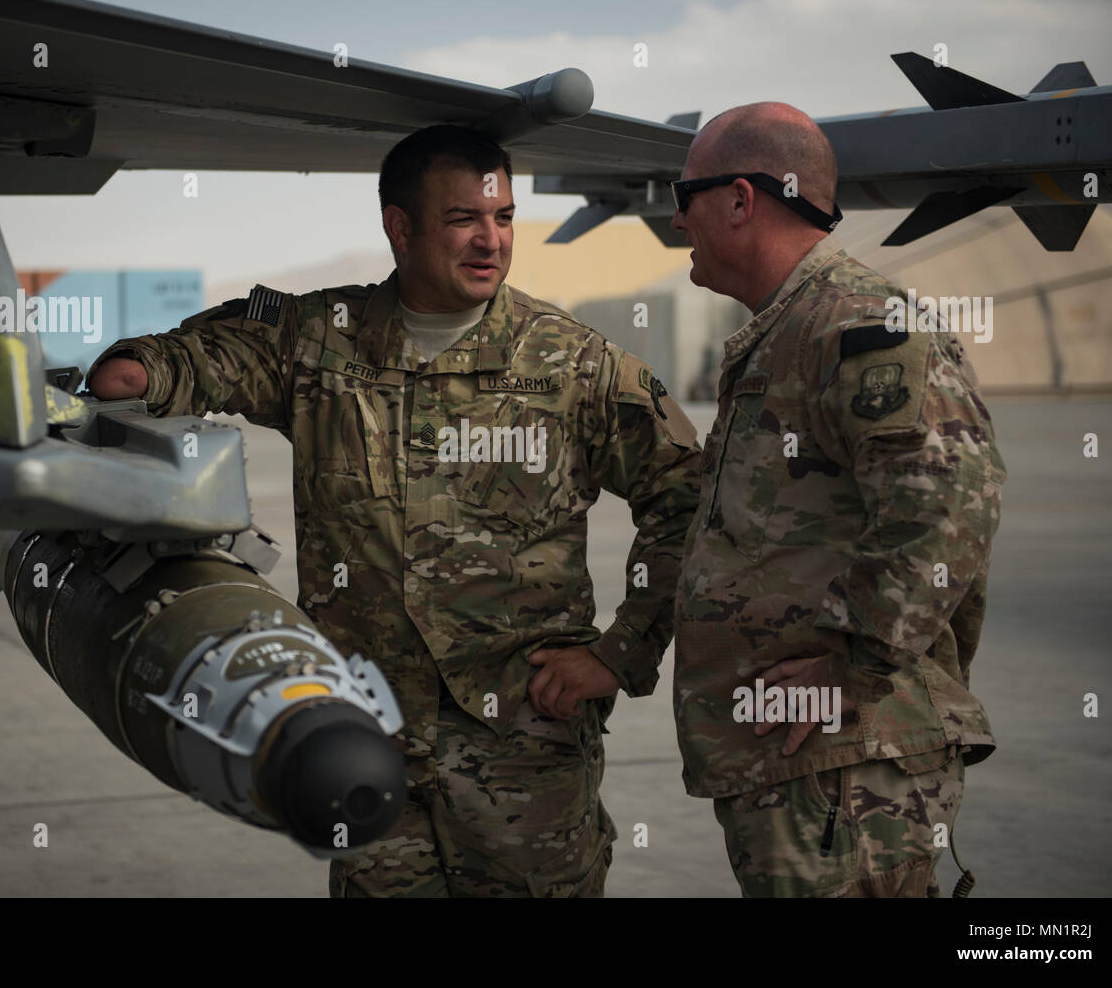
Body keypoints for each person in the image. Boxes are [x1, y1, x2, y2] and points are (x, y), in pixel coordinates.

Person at [87, 124, 701, 897]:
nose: (491, 241)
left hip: (524, 755)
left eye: (504, 217)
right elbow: (188, 362)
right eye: (464, 221)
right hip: (369, 743)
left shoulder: (572, 362)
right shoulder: (318, 341)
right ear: (399, 227)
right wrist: (136, 371)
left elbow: (689, 499)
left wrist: (620, 652)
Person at [669, 102, 1006, 897]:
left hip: (845, 768)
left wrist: (855, 659)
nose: (677, 221)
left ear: (741, 200)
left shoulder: (857, 325)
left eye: (684, 198)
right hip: (805, 761)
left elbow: (951, 500)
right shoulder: (790, 330)